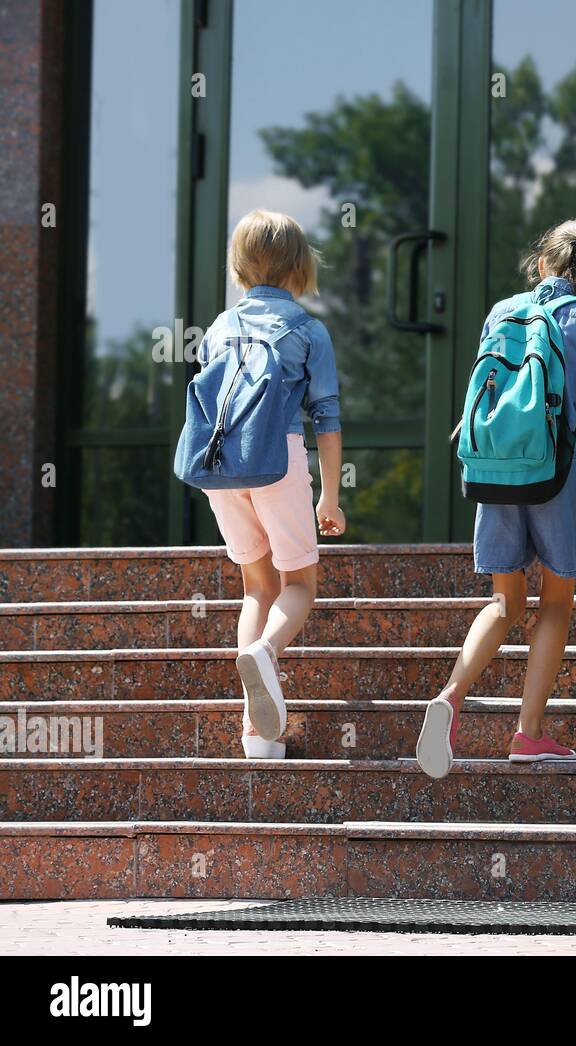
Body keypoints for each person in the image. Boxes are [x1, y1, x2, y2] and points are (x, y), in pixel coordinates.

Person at [415, 220, 576, 778]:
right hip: (558, 473)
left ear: (542, 265)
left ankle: (451, 693)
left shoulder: (502, 311)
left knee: (503, 602)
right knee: (555, 602)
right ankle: (529, 733)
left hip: (498, 470)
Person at [196, 209, 345, 759]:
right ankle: (266, 652)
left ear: (240, 267)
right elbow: (326, 418)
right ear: (299, 266)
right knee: (299, 583)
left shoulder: (217, 327)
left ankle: (255, 735)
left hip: (219, 466)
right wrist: (329, 494)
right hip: (278, 458)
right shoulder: (308, 329)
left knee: (256, 587)